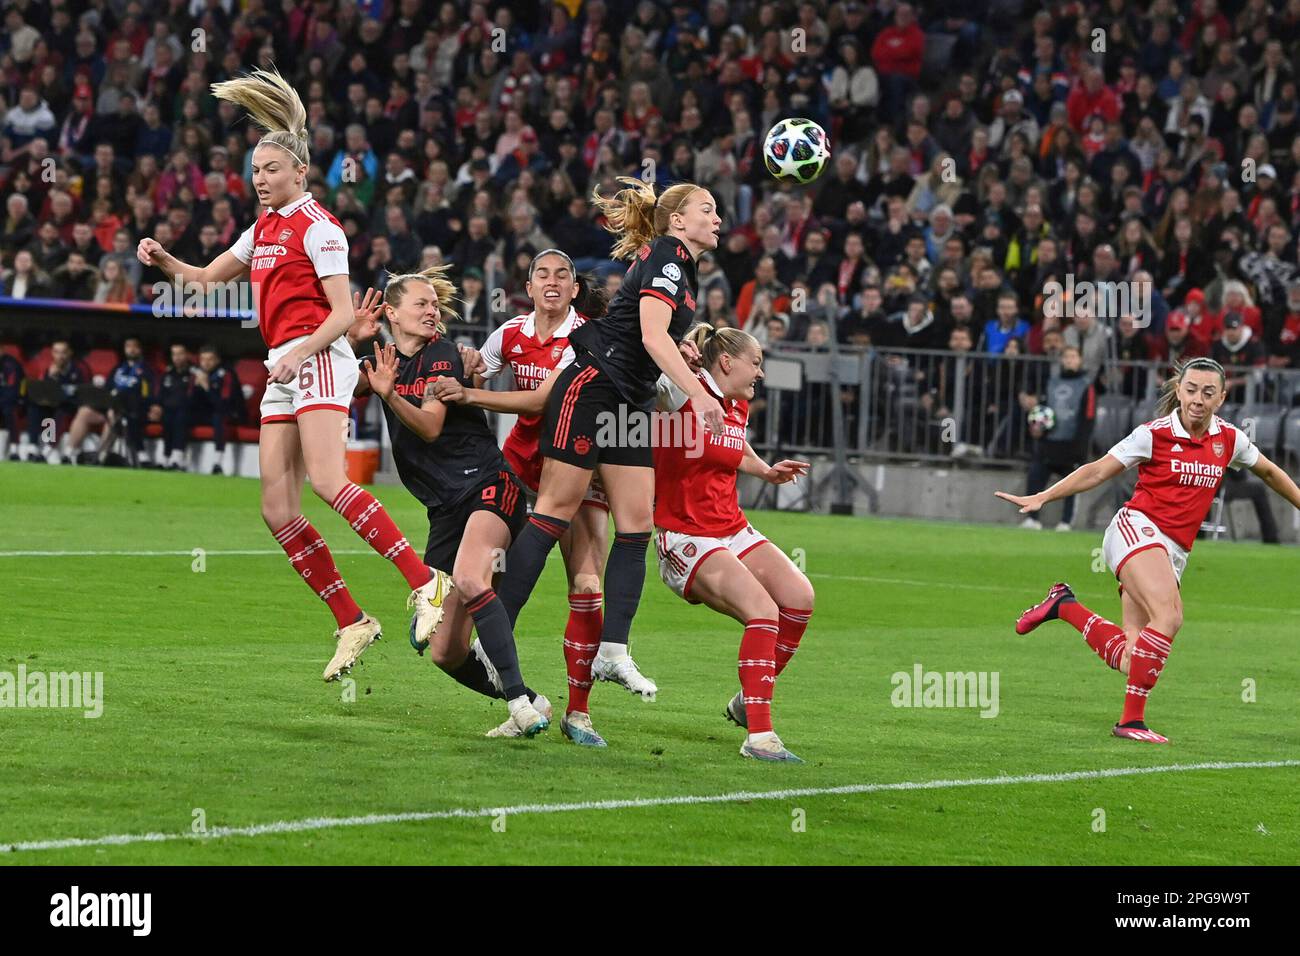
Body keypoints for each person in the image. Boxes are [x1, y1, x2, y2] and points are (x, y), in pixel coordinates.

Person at [135, 68, 452, 682]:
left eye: (271, 169)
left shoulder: (320, 228)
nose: (260, 179)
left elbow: (340, 313)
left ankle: (425, 583)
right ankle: (353, 620)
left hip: (317, 358)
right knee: (277, 509)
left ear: (300, 172)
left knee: (332, 483)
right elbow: (203, 280)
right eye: (255, 171)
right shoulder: (265, 229)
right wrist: (165, 258)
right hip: (285, 364)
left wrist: (300, 352)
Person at [484, 177, 726, 731]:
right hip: (593, 386)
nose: (718, 218)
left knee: (637, 524)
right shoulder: (668, 256)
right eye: (706, 210)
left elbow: (660, 340)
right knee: (553, 512)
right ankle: (495, 639)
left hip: (628, 400)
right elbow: (652, 334)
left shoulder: (683, 266)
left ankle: (612, 650)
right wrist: (697, 391)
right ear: (678, 221)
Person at [997, 358, 1300, 743]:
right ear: (1179, 390)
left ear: (1221, 398)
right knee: (1170, 616)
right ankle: (1131, 722)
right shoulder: (1153, 434)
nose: (1197, 399)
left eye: (1208, 393)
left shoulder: (1229, 439)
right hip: (1136, 531)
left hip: (1171, 553)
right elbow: (1098, 469)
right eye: (1191, 389)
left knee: (1132, 657)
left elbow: (1271, 472)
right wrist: (1045, 495)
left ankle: (1063, 606)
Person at [432, 248, 621, 745]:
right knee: (490, 584)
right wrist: (471, 365)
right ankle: (515, 697)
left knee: (584, 586)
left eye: (563, 274)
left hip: (577, 476)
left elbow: (545, 399)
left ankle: (578, 713)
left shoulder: (585, 337)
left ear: (575, 289)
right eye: (543, 274)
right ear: (530, 286)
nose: (553, 281)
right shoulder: (511, 333)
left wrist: (471, 393)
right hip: (517, 473)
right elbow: (479, 369)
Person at [357, 266, 551, 739]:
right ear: (391, 314)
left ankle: (517, 704)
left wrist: (388, 394)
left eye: (434, 304)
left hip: (487, 486)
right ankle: (531, 698)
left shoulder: (441, 352)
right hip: (444, 509)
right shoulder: (383, 359)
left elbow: (428, 426)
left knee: (468, 578)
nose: (431, 311)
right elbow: (351, 387)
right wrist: (355, 341)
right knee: (445, 651)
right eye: (420, 304)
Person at [654, 324, 814, 761]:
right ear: (727, 362)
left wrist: (766, 470)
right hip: (685, 534)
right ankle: (759, 736)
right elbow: (648, 355)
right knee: (762, 612)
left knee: (799, 598)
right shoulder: (682, 392)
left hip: (730, 527)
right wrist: (675, 348)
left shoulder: (736, 406)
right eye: (756, 363)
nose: (760, 373)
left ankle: (747, 701)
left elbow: (733, 447)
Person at [1018, 346, 1096, 531]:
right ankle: (1032, 518)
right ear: (1061, 360)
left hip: (1072, 445)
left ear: (1080, 361)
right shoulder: (1051, 382)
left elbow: (1088, 418)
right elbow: (1043, 410)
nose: (1069, 360)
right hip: (1050, 442)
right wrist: (1037, 428)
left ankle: (1066, 522)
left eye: (1073, 356)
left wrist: (1081, 448)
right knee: (1035, 476)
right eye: (1066, 356)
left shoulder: (1087, 385)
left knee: (1071, 486)